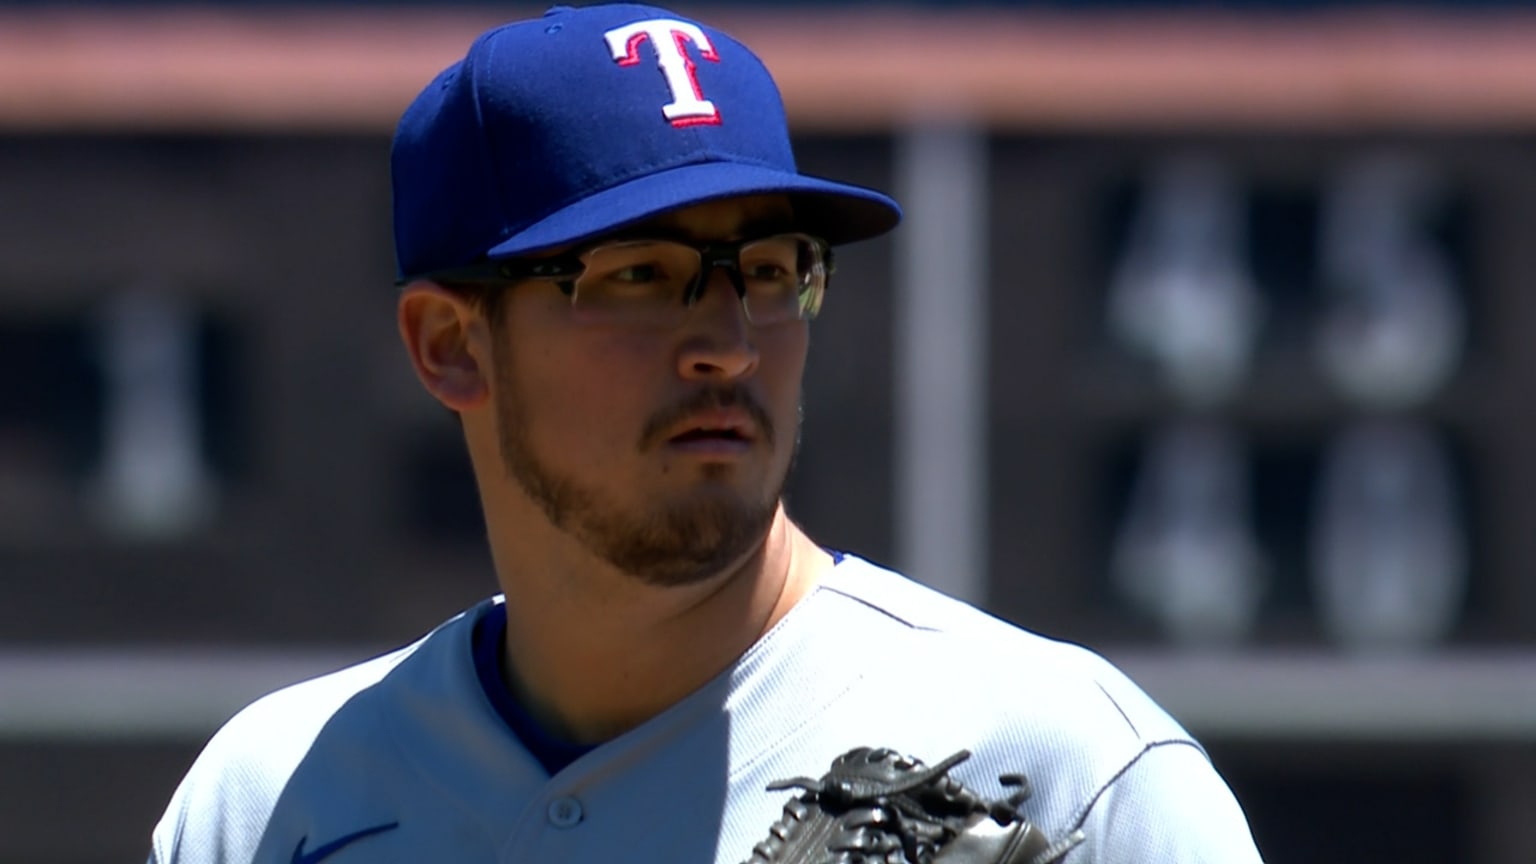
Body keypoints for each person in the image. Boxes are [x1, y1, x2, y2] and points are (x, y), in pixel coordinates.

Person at [147, 4, 1264, 862]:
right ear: (450, 343)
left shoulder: (1068, 768)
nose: (728, 344)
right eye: (640, 275)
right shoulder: (268, 803)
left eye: (771, 273)